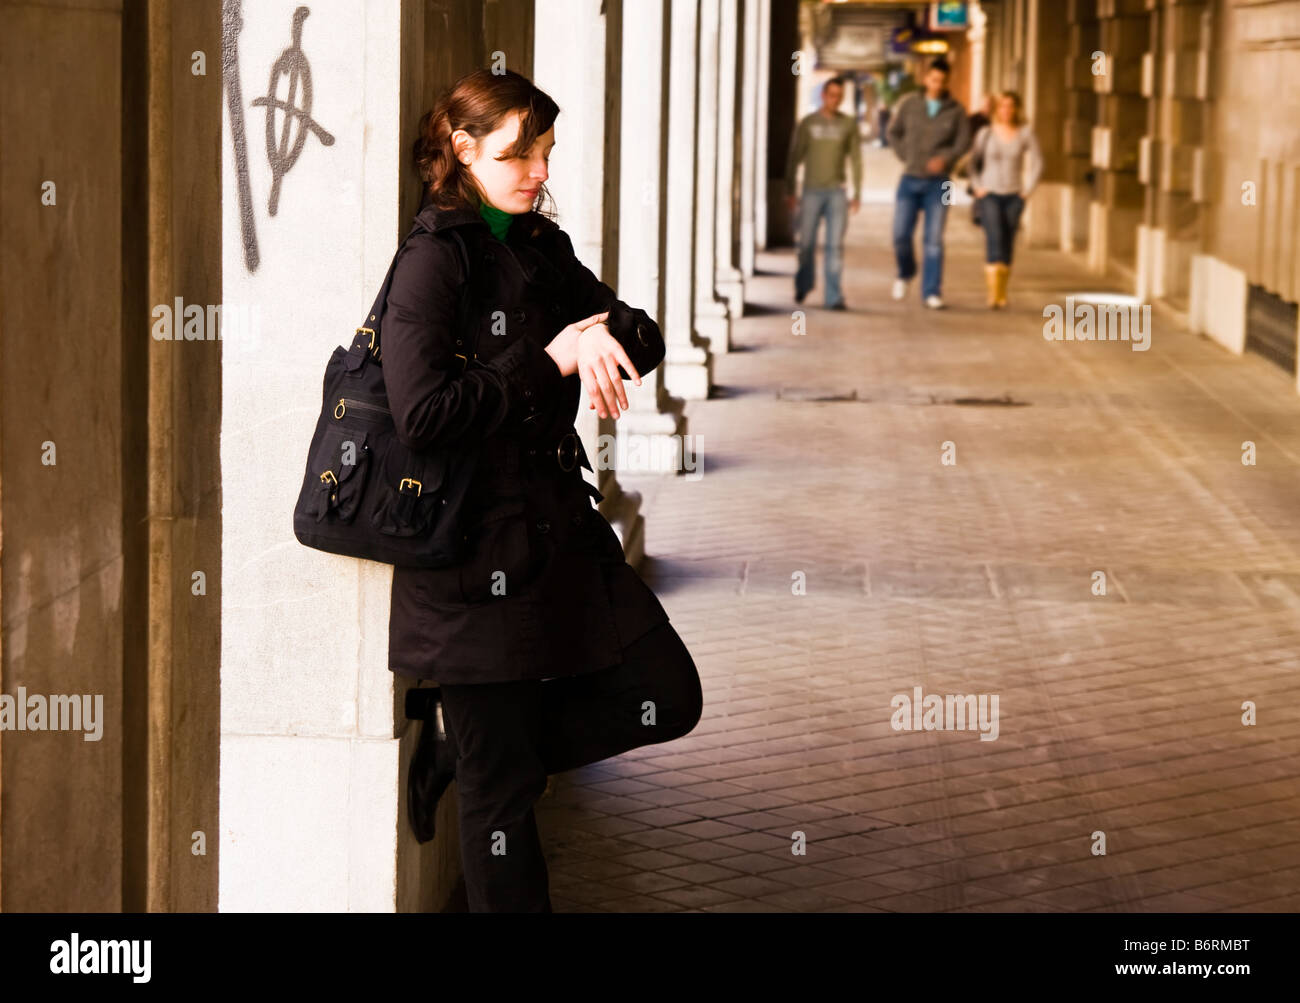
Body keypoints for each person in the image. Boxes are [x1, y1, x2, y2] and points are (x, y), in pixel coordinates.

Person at [384, 69, 703, 912]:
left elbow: (637, 329)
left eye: (545, 152)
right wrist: (551, 358)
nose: (538, 171)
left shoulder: (540, 246)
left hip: (559, 536)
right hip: (466, 561)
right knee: (501, 814)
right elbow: (423, 413)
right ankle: (483, 758)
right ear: (461, 149)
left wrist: (606, 335)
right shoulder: (430, 263)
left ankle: (472, 751)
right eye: (518, 152)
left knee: (667, 693)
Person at [886, 57, 970, 309]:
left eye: (942, 81)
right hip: (909, 178)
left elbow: (963, 142)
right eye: (933, 79)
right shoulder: (910, 104)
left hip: (942, 184)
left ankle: (932, 291)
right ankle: (905, 272)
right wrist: (906, 155)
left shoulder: (956, 110)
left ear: (946, 82)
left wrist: (946, 160)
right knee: (900, 234)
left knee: (934, 239)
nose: (937, 84)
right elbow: (893, 132)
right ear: (926, 79)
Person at [784, 76, 863, 310]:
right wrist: (790, 190)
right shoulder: (808, 123)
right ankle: (804, 283)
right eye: (831, 95)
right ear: (823, 95)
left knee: (834, 245)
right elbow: (794, 157)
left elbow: (856, 159)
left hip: (836, 193)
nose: (834, 100)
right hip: (811, 192)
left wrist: (857, 192)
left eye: (839, 96)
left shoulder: (848, 125)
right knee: (806, 243)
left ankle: (833, 296)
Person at [970, 90, 1043, 308]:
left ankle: (1002, 291)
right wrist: (978, 187)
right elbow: (972, 163)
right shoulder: (986, 133)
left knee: (1008, 240)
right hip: (990, 193)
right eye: (1002, 106)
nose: (1006, 110)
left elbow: (1038, 162)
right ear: (997, 109)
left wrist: (1027, 190)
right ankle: (994, 295)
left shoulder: (1025, 134)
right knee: (994, 236)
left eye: (1011, 106)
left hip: (1014, 195)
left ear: (1017, 109)